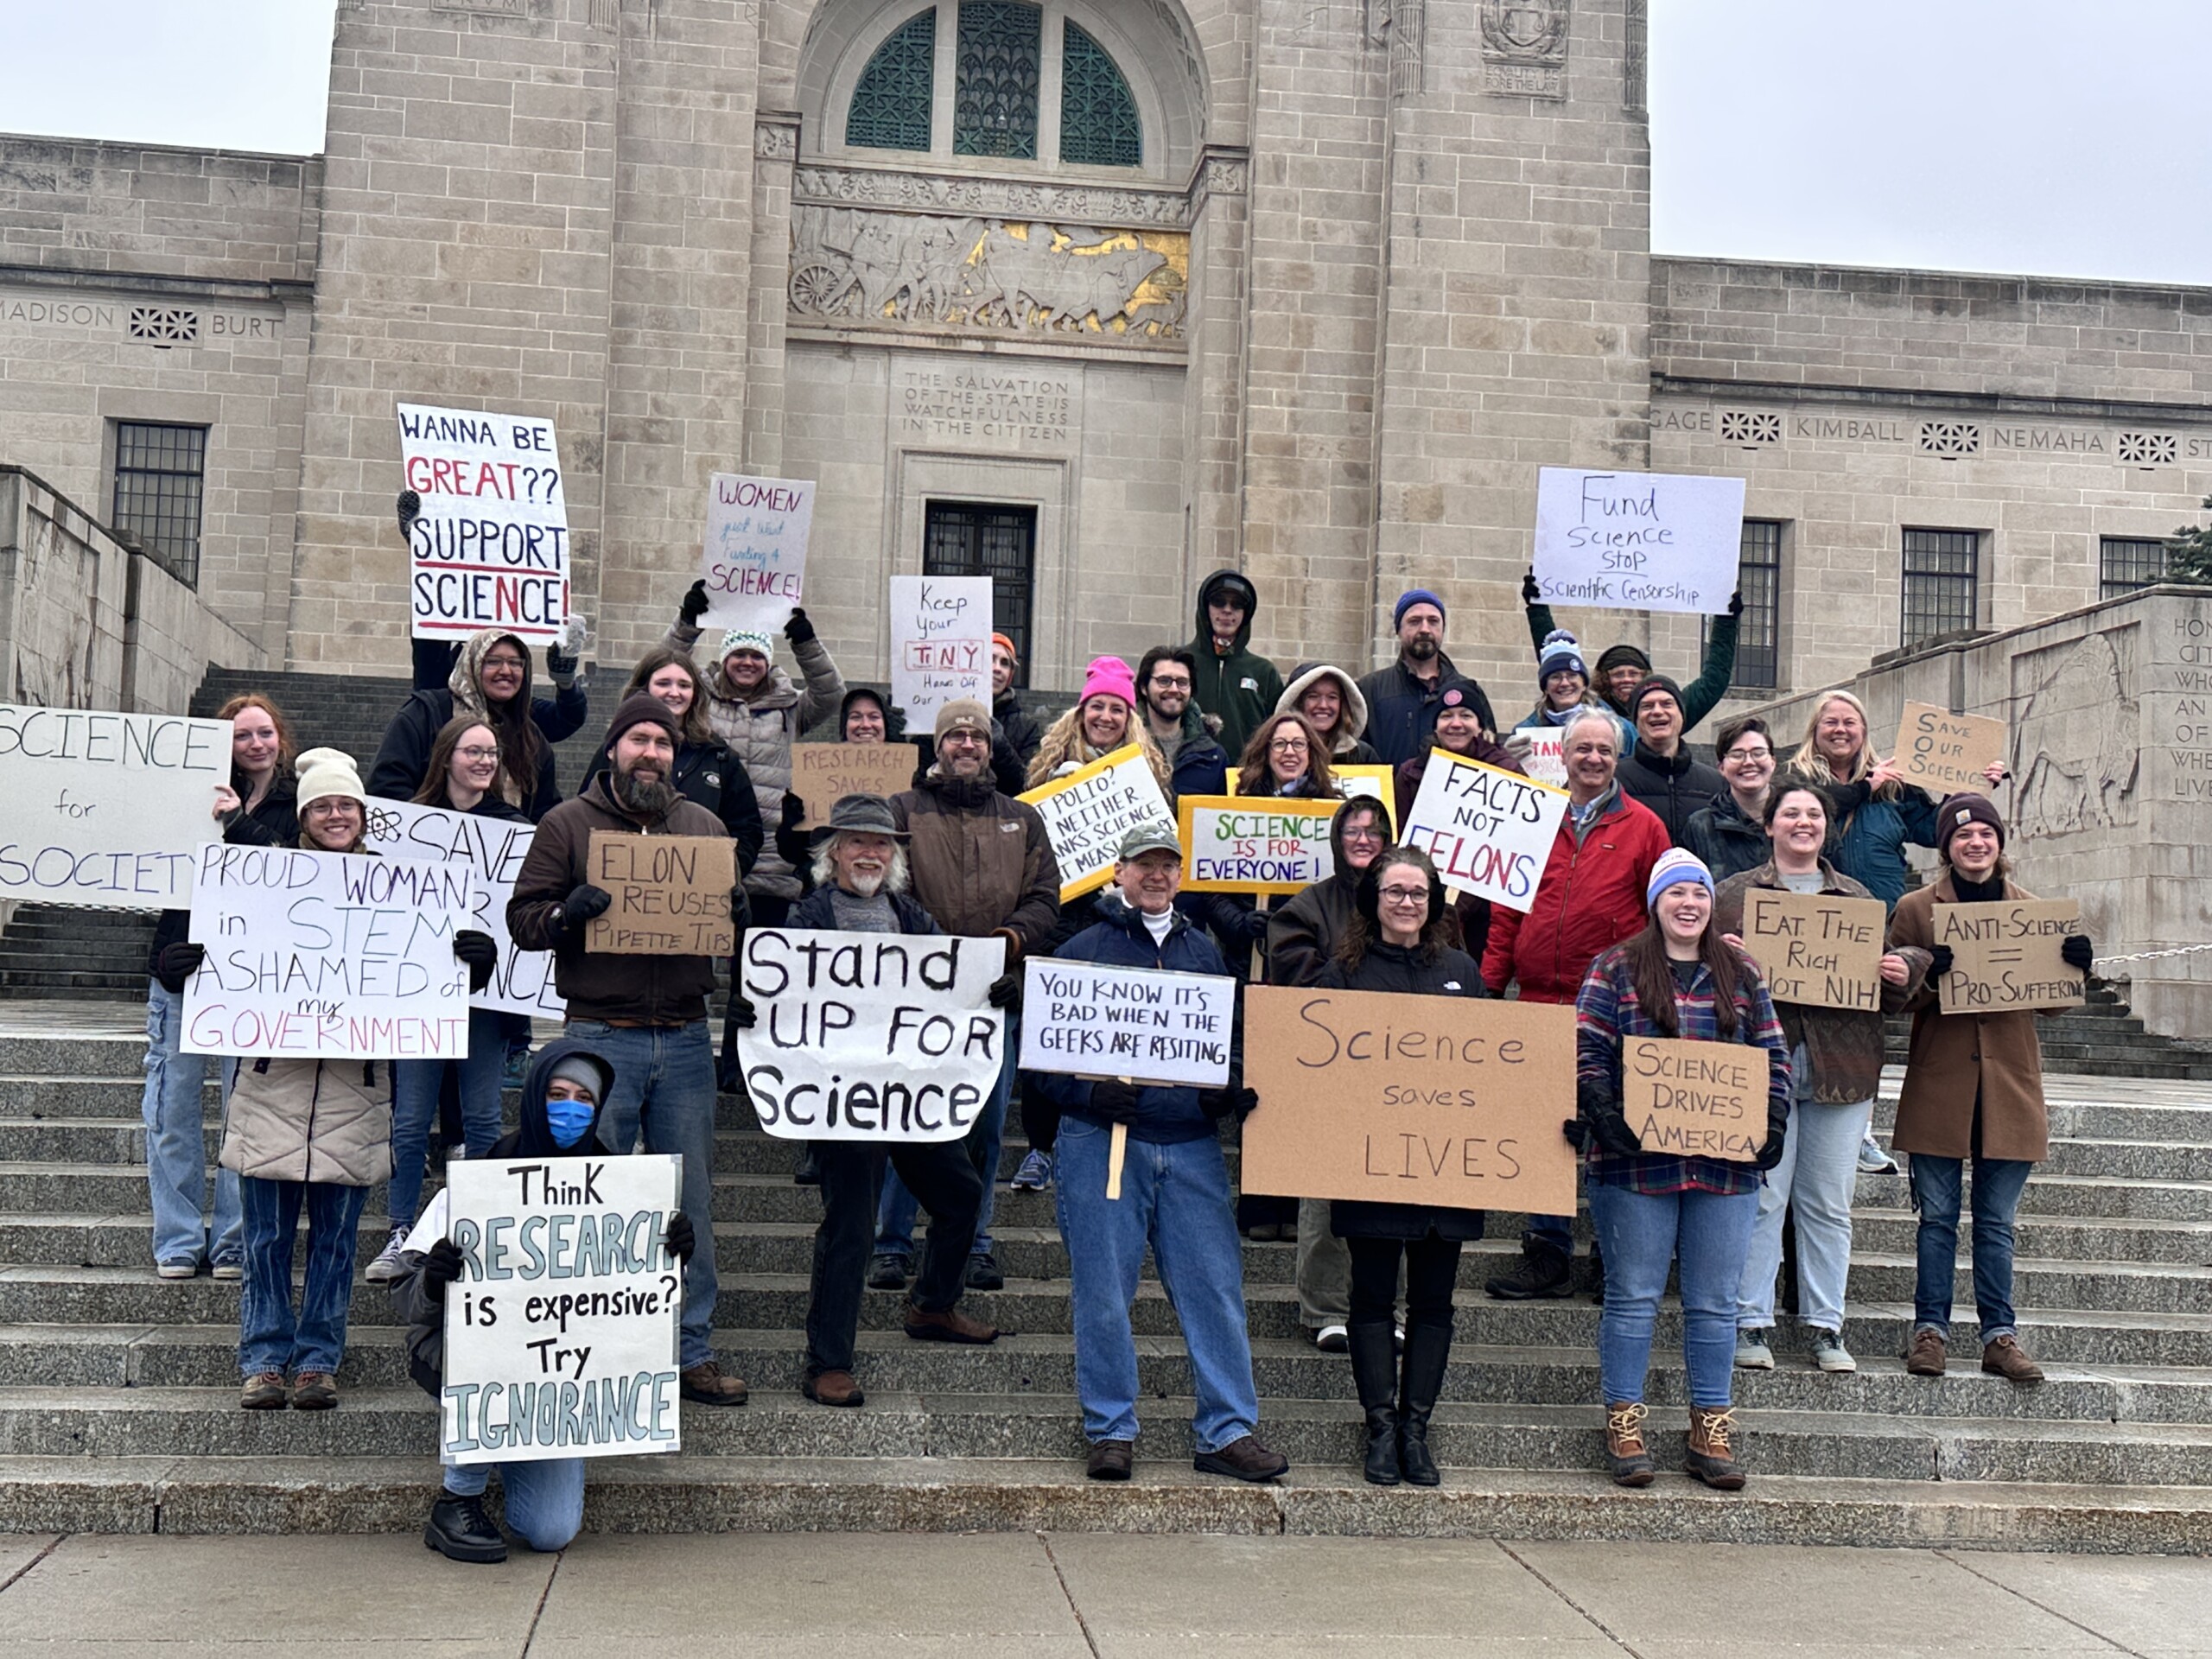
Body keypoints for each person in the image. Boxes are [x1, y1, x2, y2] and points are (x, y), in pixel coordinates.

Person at [225, 748, 493, 1410]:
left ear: (363, 814)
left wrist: (470, 965)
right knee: (265, 1240)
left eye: (346, 804)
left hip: (356, 1087)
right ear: (305, 814)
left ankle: (317, 1359)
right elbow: (221, 950)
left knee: (337, 1241)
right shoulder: (264, 879)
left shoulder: (402, 890)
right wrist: (189, 962)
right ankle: (263, 1358)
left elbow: (431, 984)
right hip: (272, 1082)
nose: (336, 814)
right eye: (323, 805)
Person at [507, 694, 749, 1406]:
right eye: (640, 739)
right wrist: (564, 913)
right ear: (614, 748)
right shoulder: (567, 823)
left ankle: (689, 1347)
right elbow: (523, 919)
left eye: (664, 743)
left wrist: (735, 912)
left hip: (681, 1040)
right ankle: (587, 1344)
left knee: (689, 1202)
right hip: (596, 1038)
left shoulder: (704, 827)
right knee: (587, 1196)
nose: (653, 753)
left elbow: (725, 926)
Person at [1027, 822, 1285, 1484]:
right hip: (1102, 1141)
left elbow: (1229, 1041)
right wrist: (1085, 1091)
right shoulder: (1082, 948)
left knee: (1215, 1289)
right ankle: (1110, 1427)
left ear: (1181, 874)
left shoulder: (1205, 952)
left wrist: (1224, 1088)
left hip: (1190, 1146)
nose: (1157, 875)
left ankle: (1227, 1429)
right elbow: (1042, 1056)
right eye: (1144, 864)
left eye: (1168, 864)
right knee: (1104, 1292)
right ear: (1118, 873)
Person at [737, 794, 1004, 1407]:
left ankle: (933, 1304)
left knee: (961, 1195)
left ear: (895, 857)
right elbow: (778, 997)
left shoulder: (913, 918)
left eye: (882, 843)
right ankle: (827, 1361)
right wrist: (751, 1010)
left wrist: (992, 990)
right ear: (833, 853)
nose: (870, 853)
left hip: (910, 1098)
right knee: (851, 1224)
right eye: (858, 841)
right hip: (841, 1103)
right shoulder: (807, 920)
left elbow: (954, 987)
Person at [394, 1040, 697, 1561]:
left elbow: (645, 1311)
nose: (570, 1108)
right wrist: (433, 1281)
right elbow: (404, 1298)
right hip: (480, 1363)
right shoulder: (483, 1180)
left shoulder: (625, 1192)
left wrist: (673, 1259)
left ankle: (525, 1444)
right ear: (534, 1096)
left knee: (551, 1530)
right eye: (558, 1093)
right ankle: (456, 1497)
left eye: (584, 1098)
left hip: (562, 1384)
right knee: (483, 1355)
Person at [1571, 849, 1789, 1489]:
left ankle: (1711, 1428)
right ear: (1655, 902)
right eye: (1676, 894)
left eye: (1697, 892)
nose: (1688, 904)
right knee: (1634, 1294)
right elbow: (1587, 1046)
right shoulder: (1615, 968)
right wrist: (1602, 1106)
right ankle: (1623, 1421)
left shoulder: (1741, 970)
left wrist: (1773, 1117)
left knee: (1716, 1302)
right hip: (1636, 1164)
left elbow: (1771, 1051)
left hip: (1724, 1167)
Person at [1715, 783, 1929, 1374]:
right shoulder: (1734, 896)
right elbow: (1693, 968)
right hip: (1761, 1068)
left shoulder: (1856, 897)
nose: (1802, 823)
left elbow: (1890, 983)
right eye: (1791, 813)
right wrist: (1720, 955)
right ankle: (1749, 1321)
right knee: (1763, 1198)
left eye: (1813, 814)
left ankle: (1825, 1326)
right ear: (1770, 826)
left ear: (1826, 828)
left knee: (1828, 1204)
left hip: (1842, 1070)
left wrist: (1901, 967)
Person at [1889, 793, 2093, 1386]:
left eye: (1985, 834)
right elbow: (1894, 998)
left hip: (2008, 1086)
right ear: (1946, 846)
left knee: (1996, 1222)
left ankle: (1999, 1336)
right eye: (1962, 835)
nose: (1975, 843)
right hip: (1941, 1082)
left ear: (2000, 844)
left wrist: (2076, 965)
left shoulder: (2033, 911)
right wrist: (1930, 973)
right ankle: (1930, 1330)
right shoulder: (1916, 908)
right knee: (1938, 1218)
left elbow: (2054, 1003)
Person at [871, 699, 1061, 1288]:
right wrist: (922, 949)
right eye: (954, 736)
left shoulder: (1023, 819)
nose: (966, 745)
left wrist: (1011, 945)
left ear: (990, 746)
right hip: (917, 999)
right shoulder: (902, 810)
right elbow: (884, 889)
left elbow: (1044, 898)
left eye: (976, 736)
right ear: (938, 747)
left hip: (991, 999)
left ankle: (977, 1242)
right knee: (909, 1121)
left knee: (983, 1127)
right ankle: (892, 1244)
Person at [1482, 710, 1670, 1301]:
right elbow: (1507, 908)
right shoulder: (1534, 820)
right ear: (1562, 755)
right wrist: (1492, 983)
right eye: (1582, 748)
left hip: (1610, 1008)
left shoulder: (1645, 827)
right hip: (1538, 999)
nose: (1593, 758)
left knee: (1608, 1132)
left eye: (1604, 750)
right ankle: (1547, 1253)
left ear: (1618, 758)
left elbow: (1659, 915)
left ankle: (1610, 1260)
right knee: (1545, 1135)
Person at [1316, 846, 1484, 1486]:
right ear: (1374, 900)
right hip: (1371, 1168)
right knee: (1372, 1299)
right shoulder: (1342, 977)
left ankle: (1417, 1428)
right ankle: (1379, 1427)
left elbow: (1495, 1070)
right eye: (1396, 892)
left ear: (1434, 901)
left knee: (1434, 1304)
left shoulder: (1463, 972)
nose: (1408, 903)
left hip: (1448, 1170)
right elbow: (1314, 1068)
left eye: (1419, 893)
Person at [141, 693, 298, 1280]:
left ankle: (234, 1241)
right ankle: (178, 1239)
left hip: (252, 980)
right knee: (172, 1109)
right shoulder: (189, 796)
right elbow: (152, 874)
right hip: (182, 970)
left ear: (280, 738)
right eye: (242, 736)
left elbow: (294, 872)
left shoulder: (296, 801)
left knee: (245, 1114)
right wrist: (163, 958)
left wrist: (238, 823)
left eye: (264, 733)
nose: (256, 744)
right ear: (222, 746)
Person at [362, 718, 521, 1281]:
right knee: (409, 1120)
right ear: (445, 756)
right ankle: (401, 1232)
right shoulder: (408, 826)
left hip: (484, 1002)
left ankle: (476, 1228)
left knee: (481, 1120)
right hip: (418, 997)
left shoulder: (512, 829)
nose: (484, 760)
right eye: (473, 750)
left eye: (492, 752)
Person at [1265, 797, 1393, 1351]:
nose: (1362, 840)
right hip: (1331, 1068)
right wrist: (1353, 983)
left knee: (1398, 1193)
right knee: (1324, 1195)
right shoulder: (1310, 905)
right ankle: (1324, 1308)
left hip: (1399, 1072)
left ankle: (1386, 1306)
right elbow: (1292, 967)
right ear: (1337, 840)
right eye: (1352, 832)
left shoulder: (1413, 899)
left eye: (1373, 831)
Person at [666, 580, 845, 927]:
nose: (747, 662)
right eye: (739, 654)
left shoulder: (790, 707)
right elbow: (660, 672)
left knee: (756, 970)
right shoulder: (698, 700)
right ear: (725, 658)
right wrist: (686, 624)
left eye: (756, 656)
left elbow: (831, 693)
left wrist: (805, 643)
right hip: (704, 848)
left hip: (770, 861)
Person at [582, 645, 766, 881]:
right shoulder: (616, 750)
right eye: (663, 683)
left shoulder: (719, 756)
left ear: (696, 694)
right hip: (621, 881)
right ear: (644, 687)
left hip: (693, 891)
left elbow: (747, 830)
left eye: (684, 685)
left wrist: (722, 877)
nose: (674, 692)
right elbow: (587, 810)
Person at [370, 628, 581, 821]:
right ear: (472, 664)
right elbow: (387, 787)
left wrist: (567, 684)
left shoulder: (530, 735)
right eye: (493, 661)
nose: (506, 671)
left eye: (516, 663)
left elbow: (544, 810)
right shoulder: (426, 713)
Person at [1522, 572, 1741, 734]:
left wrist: (1726, 621)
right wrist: (1538, 609)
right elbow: (1557, 663)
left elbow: (1714, 681)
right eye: (1618, 674)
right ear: (1603, 679)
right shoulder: (1588, 708)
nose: (1626, 680)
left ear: (1646, 676)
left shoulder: (1668, 709)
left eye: (1634, 673)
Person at [1358, 589, 1495, 764]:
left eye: (1433, 621)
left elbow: (1489, 753)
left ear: (1443, 629)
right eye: (1414, 621)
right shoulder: (1371, 689)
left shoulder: (1469, 690)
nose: (1424, 629)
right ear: (1398, 630)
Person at [1027, 655, 1174, 796]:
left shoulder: (1147, 767)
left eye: (1116, 710)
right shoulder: (1053, 760)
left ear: (1128, 720)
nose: (1105, 717)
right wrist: (1049, 791)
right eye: (1097, 707)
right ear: (1082, 712)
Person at [1614, 677, 1728, 846]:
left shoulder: (1716, 784)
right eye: (1647, 706)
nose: (1657, 711)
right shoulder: (1615, 780)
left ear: (1682, 716)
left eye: (1667, 704)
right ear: (1635, 720)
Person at [1185, 569, 1284, 759]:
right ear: (1205, 608)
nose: (1227, 610)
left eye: (1237, 605)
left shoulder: (1264, 671)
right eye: (1219, 602)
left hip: (1245, 780)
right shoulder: (1179, 662)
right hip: (1189, 776)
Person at [1504, 629, 1634, 762]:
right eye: (1555, 677)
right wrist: (1507, 760)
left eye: (1572, 675)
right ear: (1546, 688)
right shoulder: (1525, 732)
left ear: (1584, 684)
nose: (1564, 683)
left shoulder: (1622, 729)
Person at [1685, 715, 1778, 883]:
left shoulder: (1802, 820)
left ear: (1773, 762)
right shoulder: (1700, 826)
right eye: (1737, 755)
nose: (1749, 762)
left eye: (1758, 753)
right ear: (1721, 767)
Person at [1137, 645, 1230, 800]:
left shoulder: (1213, 757)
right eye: (1164, 681)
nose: (1174, 689)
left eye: (1182, 682)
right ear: (1144, 688)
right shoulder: (1125, 748)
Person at [1277, 663, 1379, 766]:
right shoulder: (1276, 753)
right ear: (1298, 703)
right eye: (1313, 696)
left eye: (1332, 697)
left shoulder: (1363, 755)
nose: (1323, 705)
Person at [990, 632, 1043, 787]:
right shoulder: (948, 714)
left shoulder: (1027, 727)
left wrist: (1000, 745)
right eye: (990, 660)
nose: (997, 669)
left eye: (1005, 663)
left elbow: (1026, 783)